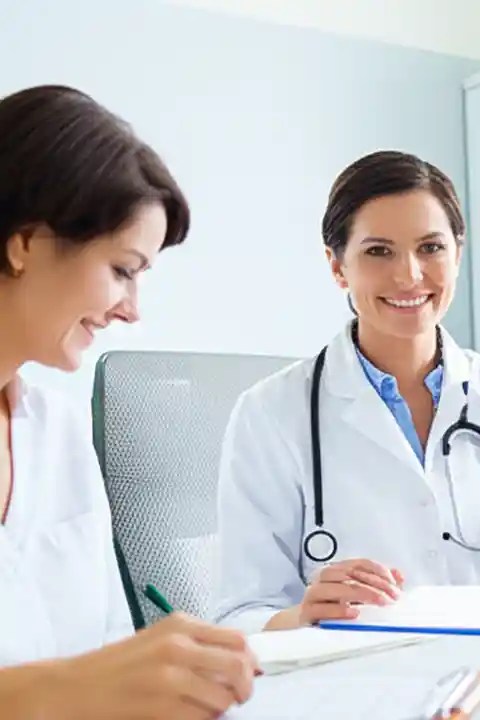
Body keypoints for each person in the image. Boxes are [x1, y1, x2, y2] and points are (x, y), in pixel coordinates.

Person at [214, 150, 480, 633]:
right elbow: (241, 615)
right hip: (347, 688)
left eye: (431, 248)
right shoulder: (269, 413)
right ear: (337, 267)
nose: (409, 275)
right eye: (378, 251)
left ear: (458, 252)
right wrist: (302, 617)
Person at [0, 85, 256, 718]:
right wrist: (67, 689)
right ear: (25, 242)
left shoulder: (57, 434)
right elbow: (87, 681)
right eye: (122, 269)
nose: (131, 310)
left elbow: (109, 648)